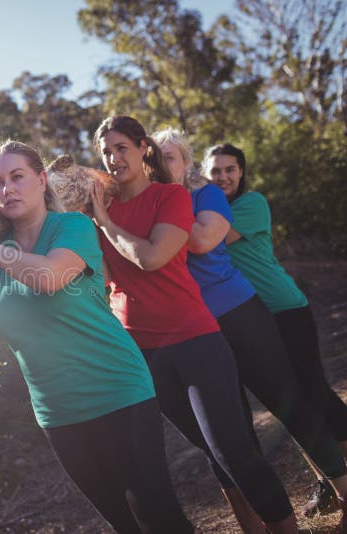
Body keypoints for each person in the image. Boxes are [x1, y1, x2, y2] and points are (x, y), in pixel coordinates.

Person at [0, 139, 193, 533]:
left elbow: (48, 277)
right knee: (122, 521)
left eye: (18, 176)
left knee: (157, 515)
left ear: (42, 180)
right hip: (59, 414)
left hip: (118, 392)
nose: (7, 188)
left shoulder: (71, 227)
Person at [91, 116, 297, 533]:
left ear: (143, 147)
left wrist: (106, 224)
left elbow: (151, 257)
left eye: (121, 148)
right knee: (210, 451)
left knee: (234, 450)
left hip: (195, 340)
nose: (113, 159)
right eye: (106, 152)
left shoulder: (172, 197)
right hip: (144, 355)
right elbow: (101, 277)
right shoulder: (101, 211)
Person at [155, 129, 347, 530]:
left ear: (187, 163)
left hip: (245, 310)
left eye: (170, 156)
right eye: (154, 157)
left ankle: (340, 487)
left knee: (293, 400)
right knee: (229, 438)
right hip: (194, 329)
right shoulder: (150, 202)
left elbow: (204, 240)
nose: (160, 163)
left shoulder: (206, 196)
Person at [206, 142, 347, 518]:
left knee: (314, 392)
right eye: (215, 171)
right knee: (291, 402)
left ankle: (338, 480)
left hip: (285, 309)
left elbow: (210, 240)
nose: (222, 177)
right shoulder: (207, 211)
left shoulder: (249, 206)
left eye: (230, 169)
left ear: (241, 172)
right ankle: (328, 482)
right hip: (251, 319)